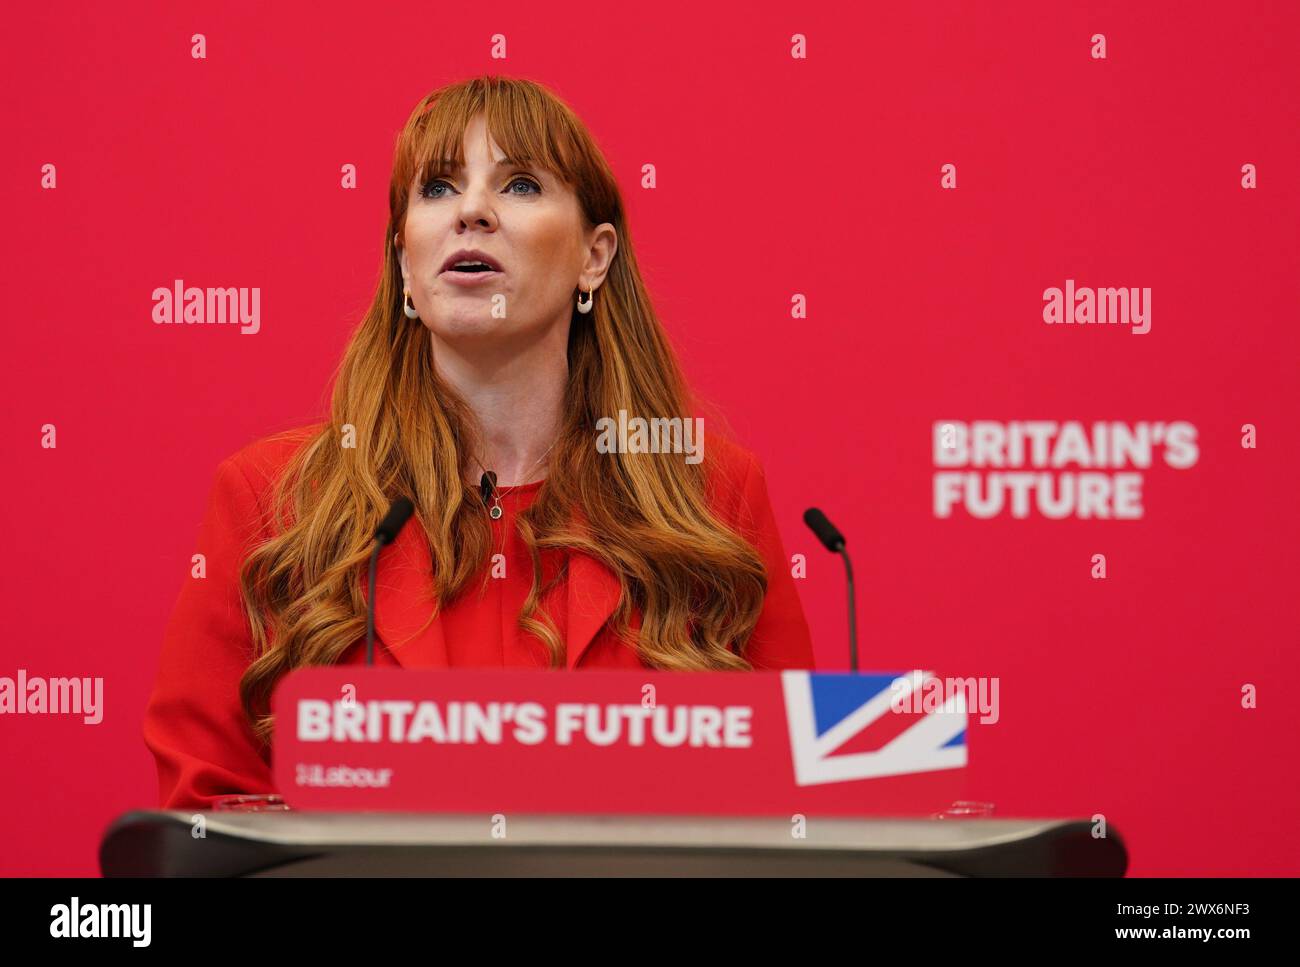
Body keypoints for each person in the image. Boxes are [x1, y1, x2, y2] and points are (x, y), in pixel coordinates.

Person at [143, 75, 814, 810]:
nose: (470, 212)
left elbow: (795, 797)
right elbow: (204, 814)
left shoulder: (710, 493)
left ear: (595, 257)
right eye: (436, 189)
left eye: (520, 184)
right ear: (405, 263)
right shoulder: (272, 498)